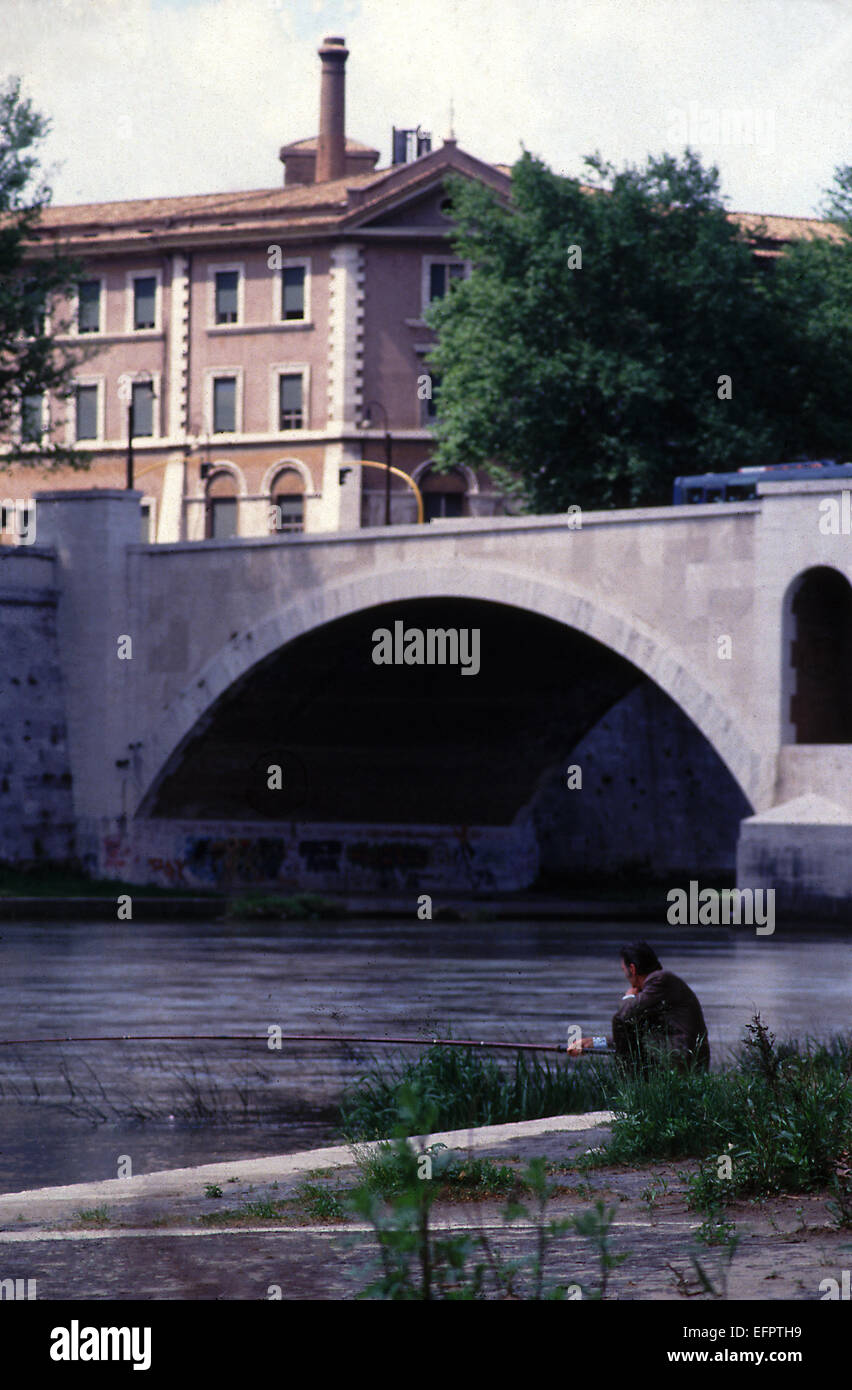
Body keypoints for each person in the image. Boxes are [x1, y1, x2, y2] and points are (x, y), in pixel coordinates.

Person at [568, 940, 710, 1073]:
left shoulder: (660, 980)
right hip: (684, 1058)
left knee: (621, 1021)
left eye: (624, 970)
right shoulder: (657, 990)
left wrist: (629, 996)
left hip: (682, 1059)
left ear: (632, 969)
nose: (625, 975)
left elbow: (624, 1016)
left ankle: (631, 1087)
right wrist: (592, 1043)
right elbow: (629, 1037)